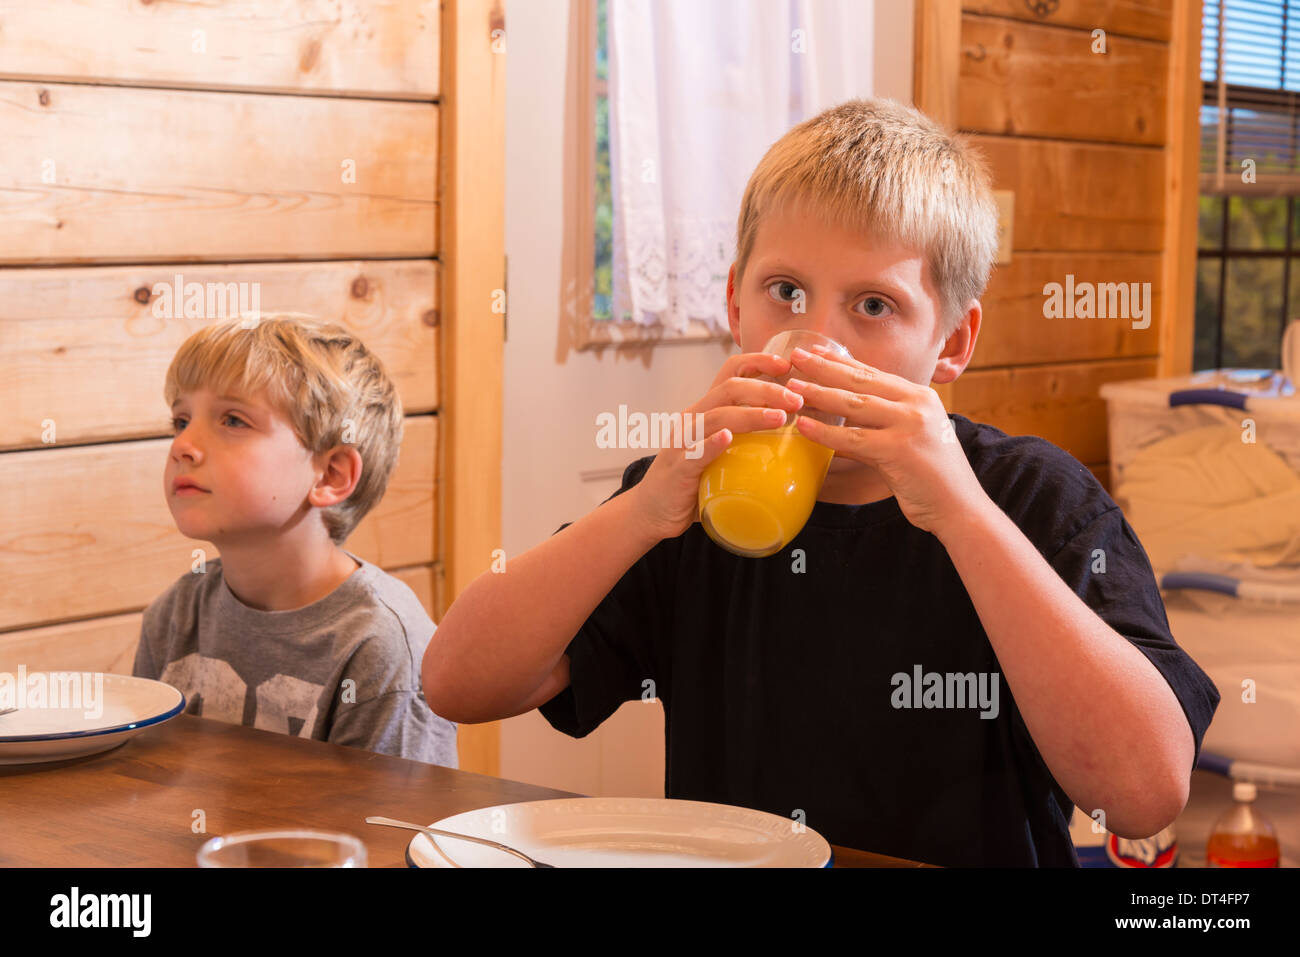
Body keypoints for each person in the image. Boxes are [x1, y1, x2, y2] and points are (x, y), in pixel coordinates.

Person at [422, 98, 1219, 865]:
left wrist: (962, 513)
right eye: (787, 293)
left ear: (953, 342)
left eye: (873, 304)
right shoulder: (686, 500)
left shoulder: (1033, 497)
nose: (818, 343)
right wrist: (638, 513)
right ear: (735, 301)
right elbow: (457, 680)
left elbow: (1143, 794)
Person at [134, 313, 457, 767]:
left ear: (329, 474)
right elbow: (142, 788)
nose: (183, 445)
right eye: (181, 420)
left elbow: (389, 829)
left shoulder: (382, 648)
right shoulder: (173, 617)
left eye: (232, 420)